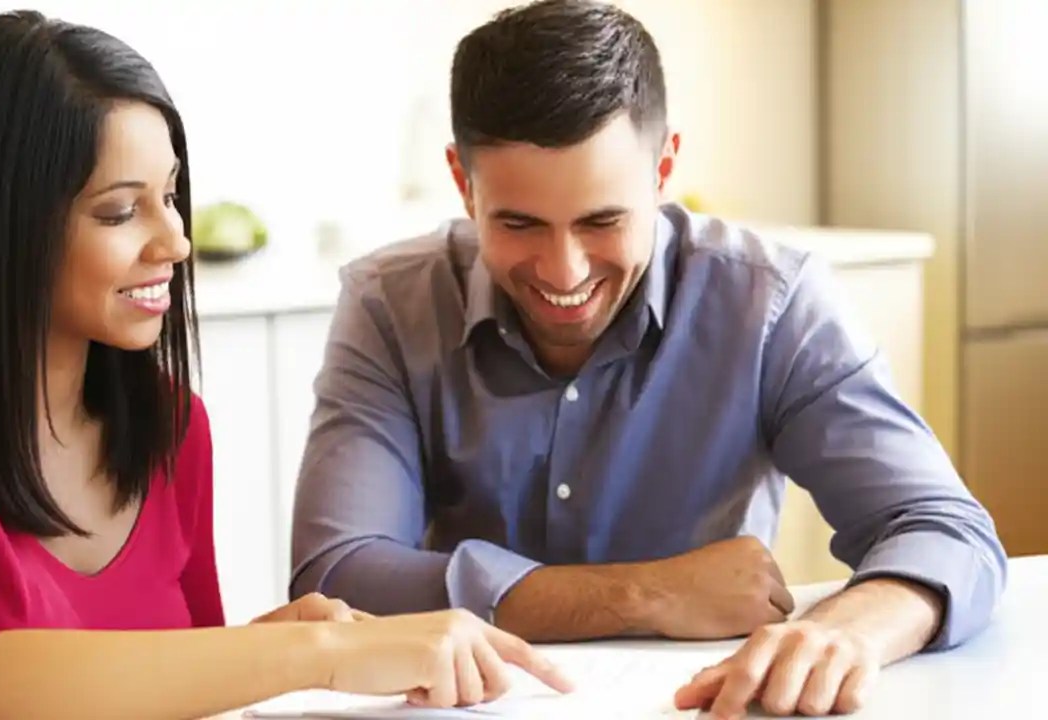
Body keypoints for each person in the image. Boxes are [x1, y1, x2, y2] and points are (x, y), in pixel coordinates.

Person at [0, 11, 572, 720]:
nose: (176, 242)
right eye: (121, 211)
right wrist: (319, 658)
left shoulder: (170, 425)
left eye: (171, 196)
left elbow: (176, 682)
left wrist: (279, 642)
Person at [289, 1, 1008, 717]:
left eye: (603, 220)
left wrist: (846, 634)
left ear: (663, 168)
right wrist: (646, 593)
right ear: (462, 182)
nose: (564, 272)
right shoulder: (390, 304)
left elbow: (946, 532)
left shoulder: (770, 303)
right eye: (519, 223)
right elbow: (338, 575)